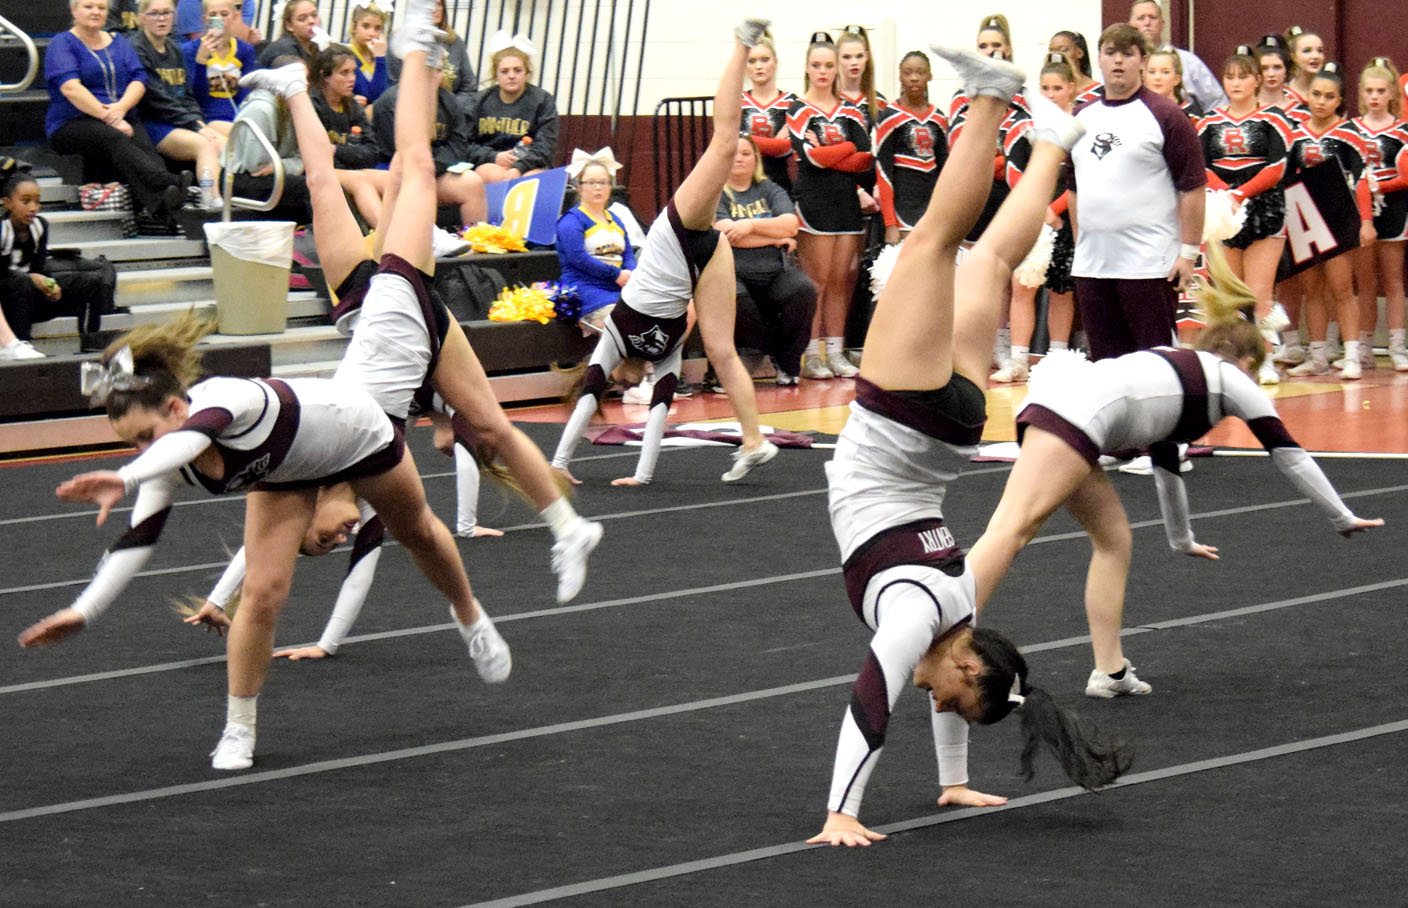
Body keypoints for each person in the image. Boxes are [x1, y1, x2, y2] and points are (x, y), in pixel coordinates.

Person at [807, 48, 1125, 850]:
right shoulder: (920, 616)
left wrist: (952, 781)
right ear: (971, 666)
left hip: (954, 424)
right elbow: (872, 699)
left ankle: (1053, 141)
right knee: (932, 245)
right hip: (900, 416)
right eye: (952, 699)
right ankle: (988, 102)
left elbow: (927, 687)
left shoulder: (963, 605)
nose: (937, 700)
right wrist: (842, 810)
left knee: (988, 259)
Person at [965, 240, 1383, 700]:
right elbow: (1289, 454)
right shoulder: (1227, 380)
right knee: (1011, 530)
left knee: (1113, 539)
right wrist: (1341, 515)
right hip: (1073, 420)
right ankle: (949, 642)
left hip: (1063, 410)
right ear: (1246, 361)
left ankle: (1111, 671)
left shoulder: (1177, 373)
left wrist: (1181, 538)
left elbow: (1166, 463)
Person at [552, 20, 782, 487]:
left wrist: (557, 465)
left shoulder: (615, 335)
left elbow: (588, 396)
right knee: (722, 351)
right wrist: (641, 476)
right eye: (622, 384)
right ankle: (755, 441)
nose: (620, 381)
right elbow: (658, 411)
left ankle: (741, 41)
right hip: (703, 256)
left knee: (724, 141)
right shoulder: (667, 350)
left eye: (617, 381)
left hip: (676, 235)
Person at [1068, 23, 1205, 363]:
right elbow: (1073, 189)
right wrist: (1080, 245)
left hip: (1148, 265)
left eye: (1127, 54)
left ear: (1143, 60)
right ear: (1097, 59)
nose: (1118, 61)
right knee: (1105, 366)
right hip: (1093, 266)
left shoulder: (1166, 115)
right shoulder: (1081, 117)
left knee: (1154, 364)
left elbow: (1193, 187)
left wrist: (1188, 253)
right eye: (1110, 53)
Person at [45, 0, 191, 233]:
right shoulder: (62, 43)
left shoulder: (120, 42)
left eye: (101, 8)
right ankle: (168, 182)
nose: (96, 12)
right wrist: (110, 117)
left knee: (145, 146)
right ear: (74, 10)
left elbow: (138, 79)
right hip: (72, 123)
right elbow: (71, 88)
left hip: (121, 116)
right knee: (114, 138)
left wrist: (121, 108)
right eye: (88, 7)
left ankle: (165, 213)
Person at [1199, 46, 1293, 386]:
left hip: (1263, 206)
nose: (1236, 83)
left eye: (1243, 76)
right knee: (1230, 295)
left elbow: (1278, 166)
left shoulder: (1273, 118)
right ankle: (1234, 360)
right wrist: (1225, 193)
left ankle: (1264, 358)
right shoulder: (1209, 122)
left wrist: (1241, 193)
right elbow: (1200, 164)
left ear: (1256, 80)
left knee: (1260, 294)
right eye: (1230, 77)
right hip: (1224, 208)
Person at [789, 32, 872, 381]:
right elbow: (809, 157)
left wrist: (827, 152)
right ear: (807, 68)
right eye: (816, 65)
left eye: (828, 65)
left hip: (846, 205)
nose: (823, 71)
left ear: (837, 68)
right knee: (817, 282)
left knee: (841, 280)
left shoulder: (851, 110)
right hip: (814, 203)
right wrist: (842, 151)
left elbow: (865, 158)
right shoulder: (797, 108)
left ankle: (836, 353)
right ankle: (812, 355)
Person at [992, 52, 1079, 384]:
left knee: (1062, 289)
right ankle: (1017, 360)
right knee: (1022, 285)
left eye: (1058, 87)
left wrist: (1055, 210)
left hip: (1067, 217)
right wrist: (1037, 208)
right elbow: (1014, 173)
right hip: (1033, 217)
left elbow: (1080, 176)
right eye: (1045, 88)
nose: (1051, 94)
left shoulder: (1081, 127)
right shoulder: (1025, 128)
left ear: (1071, 88)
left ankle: (1057, 357)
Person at [715, 134, 815, 386]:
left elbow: (791, 225)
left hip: (774, 271)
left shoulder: (770, 189)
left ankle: (788, 365)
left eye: (746, 153)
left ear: (756, 160)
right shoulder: (716, 192)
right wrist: (772, 237)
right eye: (734, 153)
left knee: (804, 290)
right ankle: (779, 351)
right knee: (733, 297)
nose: (739, 158)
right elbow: (727, 233)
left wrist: (749, 225)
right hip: (733, 271)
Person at [1, 172, 119, 352]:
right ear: (7, 202)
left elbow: (40, 268)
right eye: (25, 201)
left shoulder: (40, 226)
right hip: (7, 302)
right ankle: (18, 346)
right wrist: (34, 279)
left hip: (31, 297)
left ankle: (91, 345)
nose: (33, 208)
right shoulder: (3, 231)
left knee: (91, 283)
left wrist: (50, 287)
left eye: (37, 201)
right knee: (20, 281)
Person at [130, 0, 229, 208]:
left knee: (223, 142)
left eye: (166, 13)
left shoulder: (174, 49)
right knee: (206, 144)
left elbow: (187, 94)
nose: (161, 18)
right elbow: (155, 99)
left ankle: (234, 193)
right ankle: (210, 198)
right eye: (154, 14)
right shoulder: (137, 49)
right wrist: (192, 125)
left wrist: (198, 122)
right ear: (142, 18)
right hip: (153, 123)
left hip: (180, 120)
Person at [1346, 57, 1408, 372]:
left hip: (1394, 210)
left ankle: (1397, 346)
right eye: (1369, 90)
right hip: (1360, 213)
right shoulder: (1350, 130)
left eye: (1381, 90)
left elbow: (1407, 175)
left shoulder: (1402, 132)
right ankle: (1365, 344)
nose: (1374, 96)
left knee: (1394, 280)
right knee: (1364, 282)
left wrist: (1377, 183)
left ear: (1391, 94)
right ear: (1360, 93)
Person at [370, 66, 488, 230]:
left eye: (439, 70)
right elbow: (393, 149)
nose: (433, 76)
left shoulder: (450, 101)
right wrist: (425, 167)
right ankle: (426, 240)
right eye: (427, 70)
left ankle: (475, 242)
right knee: (416, 180)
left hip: (435, 169)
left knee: (472, 182)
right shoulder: (389, 102)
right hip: (395, 171)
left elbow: (459, 146)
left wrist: (434, 166)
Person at [556, 148, 636, 334]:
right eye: (591, 182)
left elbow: (628, 253)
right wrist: (615, 274)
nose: (598, 188)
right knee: (623, 323)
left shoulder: (616, 219)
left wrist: (631, 273)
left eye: (602, 182)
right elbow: (579, 259)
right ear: (579, 187)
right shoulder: (571, 221)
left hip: (619, 286)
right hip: (586, 288)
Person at [462, 33, 559, 183]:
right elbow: (463, 144)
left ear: (527, 72)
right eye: (505, 71)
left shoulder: (543, 100)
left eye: (517, 70)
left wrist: (519, 167)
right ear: (496, 74)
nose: (511, 76)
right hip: (490, 163)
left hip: (530, 165)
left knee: (532, 179)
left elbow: (546, 146)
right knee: (492, 173)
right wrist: (493, 156)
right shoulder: (478, 102)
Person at [875, 50, 949, 246]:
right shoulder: (890, 116)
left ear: (930, 76)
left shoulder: (938, 118)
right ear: (900, 76)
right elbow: (883, 171)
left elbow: (945, 171)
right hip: (902, 208)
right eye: (908, 73)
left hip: (931, 208)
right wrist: (890, 223)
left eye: (920, 72)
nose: (914, 78)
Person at [1128, 0, 1226, 112]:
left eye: (1152, 17)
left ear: (1162, 23)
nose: (1147, 23)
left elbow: (1217, 103)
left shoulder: (1188, 62)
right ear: (1131, 25)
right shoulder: (1124, 64)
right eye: (1141, 18)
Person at [386, 0, 475, 113]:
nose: (434, 9)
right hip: (409, 110)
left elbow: (469, 87)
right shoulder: (400, 40)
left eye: (438, 4)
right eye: (429, 4)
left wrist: (451, 108)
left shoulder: (455, 41)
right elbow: (391, 83)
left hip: (449, 116)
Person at [182, 0, 257, 126]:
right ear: (204, 19)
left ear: (234, 16)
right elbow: (195, 98)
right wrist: (201, 61)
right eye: (213, 15)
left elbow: (245, 94)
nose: (219, 19)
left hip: (235, 118)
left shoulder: (245, 50)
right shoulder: (190, 50)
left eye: (224, 14)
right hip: (204, 118)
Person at [740, 33, 797, 194]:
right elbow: (733, 145)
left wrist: (748, 141)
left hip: (779, 183)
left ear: (775, 62)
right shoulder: (738, 101)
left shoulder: (791, 102)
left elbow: (787, 148)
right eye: (752, 61)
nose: (759, 66)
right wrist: (775, 143)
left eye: (765, 60)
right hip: (743, 186)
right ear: (745, 66)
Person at [345, 3, 389, 111]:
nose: (372, 33)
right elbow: (369, 95)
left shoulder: (379, 55)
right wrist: (380, 59)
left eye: (377, 28)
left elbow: (384, 96)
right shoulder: (346, 53)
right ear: (354, 27)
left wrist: (379, 58)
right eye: (366, 26)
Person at [257, 0, 324, 68]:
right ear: (289, 26)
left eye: (314, 15)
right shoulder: (284, 48)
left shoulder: (318, 46)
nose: (311, 21)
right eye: (302, 19)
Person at [1144, 44, 1198, 118]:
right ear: (1144, 77)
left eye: (1165, 72)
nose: (1157, 77)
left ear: (1176, 79)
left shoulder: (1190, 114)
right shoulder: (1137, 111)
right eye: (1152, 72)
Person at [1049, 30, 1101, 104]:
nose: (1058, 56)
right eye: (1052, 52)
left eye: (1063, 50)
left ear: (1079, 53)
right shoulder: (1049, 94)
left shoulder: (1100, 93)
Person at [175, 0, 258, 44]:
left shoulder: (245, 2)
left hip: (232, 60)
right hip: (196, 58)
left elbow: (239, 40)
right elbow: (208, 41)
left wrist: (236, 5)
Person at [1283, 26, 1325, 107]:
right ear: (1293, 56)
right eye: (1307, 51)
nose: (1315, 56)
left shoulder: (1330, 94)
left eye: (1320, 51)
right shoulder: (1282, 95)